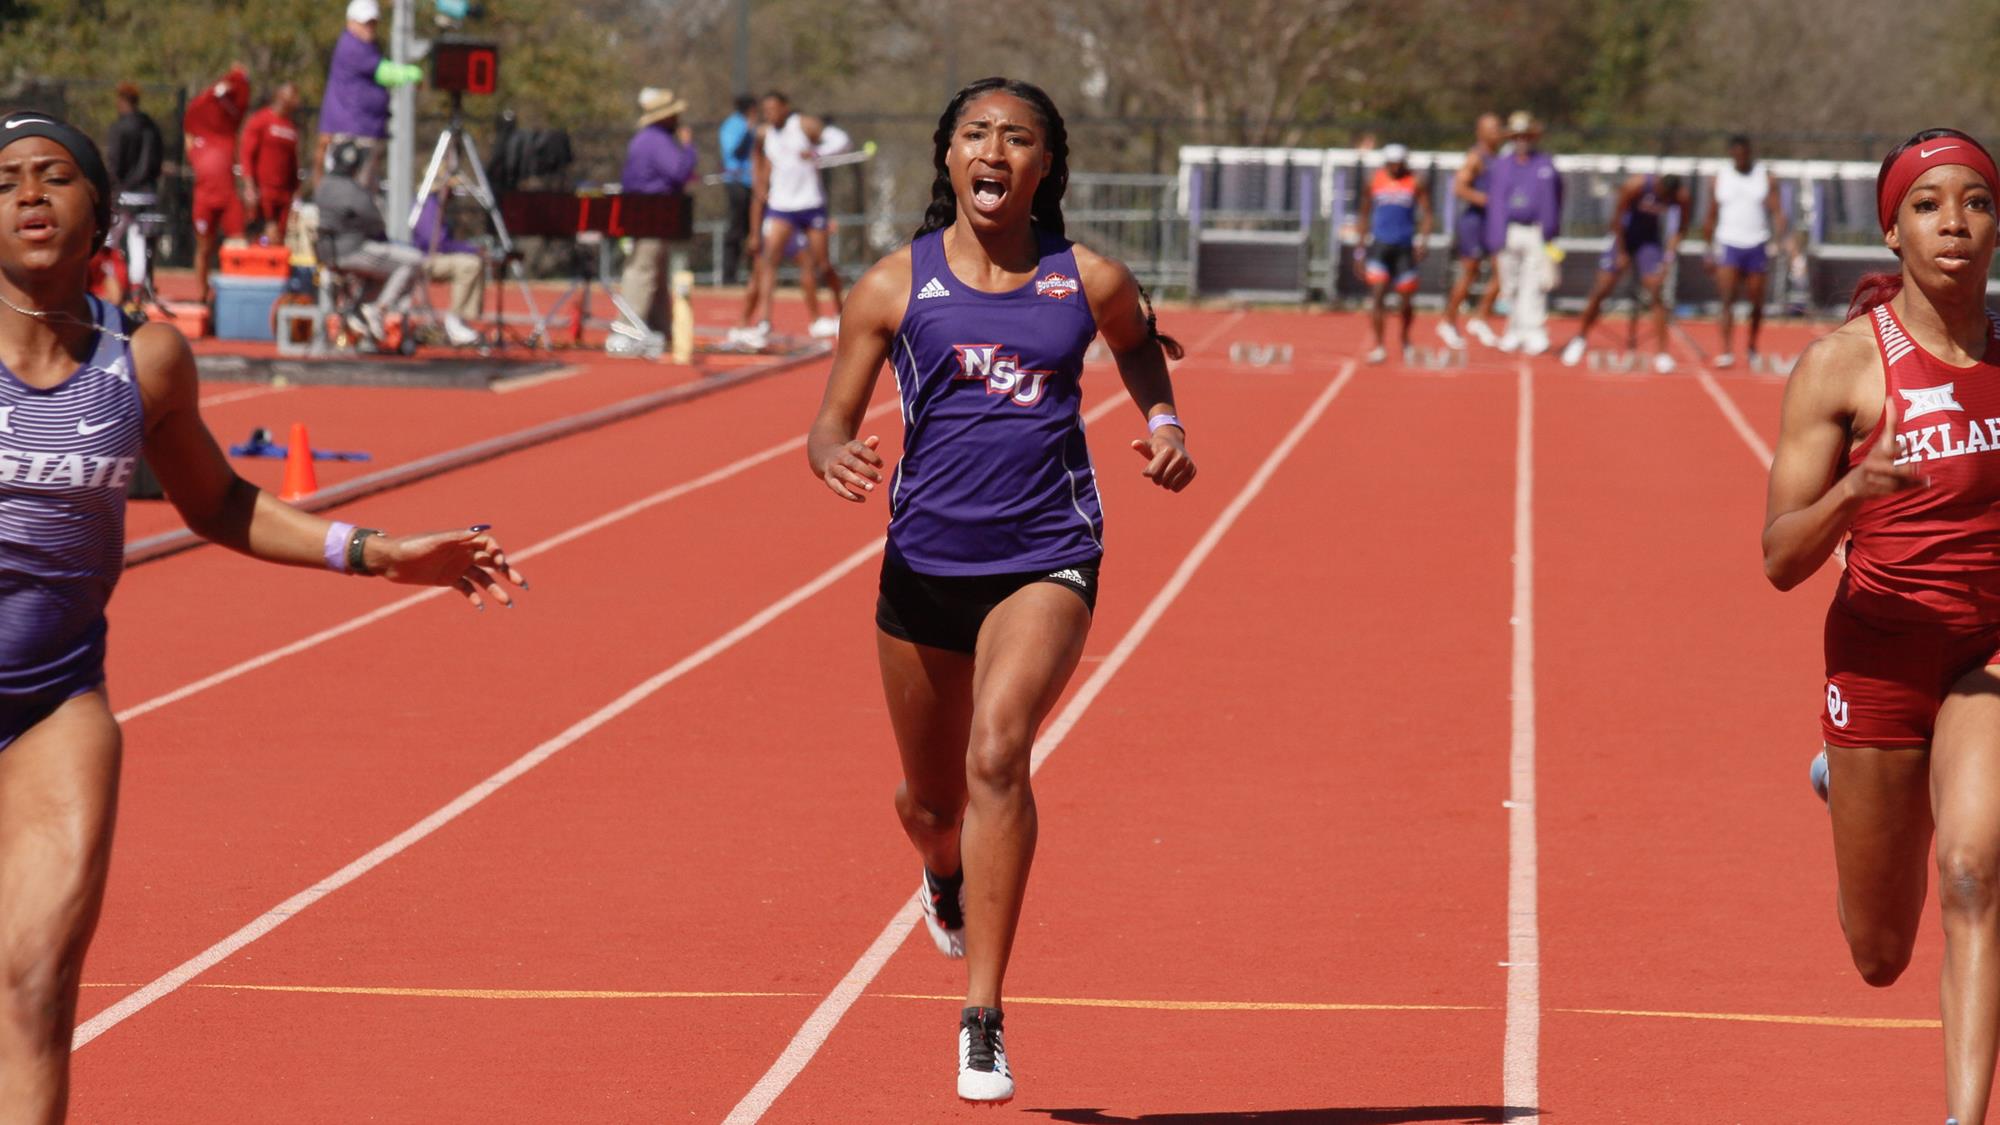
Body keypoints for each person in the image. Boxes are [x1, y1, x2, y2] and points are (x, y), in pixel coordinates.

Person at [0, 111, 524, 1122]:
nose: (27, 194)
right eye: (5, 179)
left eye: (54, 176)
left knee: (33, 986)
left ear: (100, 212)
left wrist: (375, 553)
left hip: (53, 708)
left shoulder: (145, 359)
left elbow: (219, 502)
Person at [806, 76, 1195, 1105]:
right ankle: (941, 869)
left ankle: (982, 1016)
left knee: (997, 753)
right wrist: (834, 453)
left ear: (1044, 165)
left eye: (1016, 137)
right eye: (975, 134)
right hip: (924, 564)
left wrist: (1164, 425)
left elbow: (1139, 348)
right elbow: (829, 421)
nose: (994, 150)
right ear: (947, 157)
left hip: (1046, 555)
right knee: (931, 803)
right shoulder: (891, 287)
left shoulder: (1087, 280)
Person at [1762, 128, 2000, 1125]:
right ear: (1891, 231)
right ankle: (1846, 777)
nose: (1955, 223)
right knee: (1878, 953)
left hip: (1986, 655)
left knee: (1972, 872)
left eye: (1976, 202)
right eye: (1928, 205)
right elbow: (1780, 557)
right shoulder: (1842, 367)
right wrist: (1854, 491)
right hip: (1877, 655)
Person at [314, 141, 481, 346]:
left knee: (387, 266)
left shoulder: (324, 185)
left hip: (330, 252)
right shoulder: (353, 190)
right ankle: (378, 309)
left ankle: (359, 311)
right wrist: (472, 249)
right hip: (353, 250)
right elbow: (376, 222)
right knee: (411, 261)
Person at [730, 91, 850, 349]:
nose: (769, 114)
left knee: (822, 264)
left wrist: (817, 152)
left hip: (811, 205)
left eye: (774, 109)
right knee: (767, 261)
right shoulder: (764, 134)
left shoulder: (803, 125)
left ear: (785, 108)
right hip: (781, 207)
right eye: (766, 110)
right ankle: (764, 320)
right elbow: (757, 161)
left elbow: (841, 141)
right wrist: (760, 189)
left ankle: (842, 311)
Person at [1559, 172, 1690, 374]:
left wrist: (1668, 258)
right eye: (1662, 196)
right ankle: (1580, 338)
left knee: (1656, 291)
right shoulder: (1636, 185)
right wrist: (1621, 252)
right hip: (1624, 236)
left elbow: (1681, 229)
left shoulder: (1681, 197)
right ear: (1658, 186)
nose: (1663, 201)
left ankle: (1662, 354)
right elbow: (1617, 218)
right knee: (1602, 288)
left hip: (1649, 241)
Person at [314, 0, 423, 190]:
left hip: (365, 130)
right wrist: (412, 74)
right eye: (365, 23)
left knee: (363, 190)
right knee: (351, 191)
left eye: (373, 23)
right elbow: (384, 72)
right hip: (352, 134)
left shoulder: (367, 46)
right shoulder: (352, 46)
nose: (370, 28)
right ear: (351, 22)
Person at [618, 87, 698, 341]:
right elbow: (678, 171)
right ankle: (628, 328)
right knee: (643, 269)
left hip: (644, 209)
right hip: (651, 211)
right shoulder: (657, 140)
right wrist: (688, 148)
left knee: (657, 271)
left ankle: (660, 328)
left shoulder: (643, 139)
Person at [1703, 133, 1788, 368]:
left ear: (1749, 153)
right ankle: (1726, 350)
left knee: (1756, 300)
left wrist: (1777, 241)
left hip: (1757, 243)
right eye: (1736, 154)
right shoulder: (1720, 177)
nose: (1740, 158)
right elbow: (1710, 216)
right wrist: (1708, 250)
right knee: (1727, 298)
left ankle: (1751, 346)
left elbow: (1778, 212)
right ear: (1731, 154)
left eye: (1744, 154)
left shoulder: (1764, 176)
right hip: (1728, 242)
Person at [1483, 110, 1562, 356]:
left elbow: (1558, 194)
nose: (1521, 141)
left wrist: (1550, 227)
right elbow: (1495, 199)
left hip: (1536, 230)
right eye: (1517, 137)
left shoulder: (1545, 163)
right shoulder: (1502, 165)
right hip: (1509, 230)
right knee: (1511, 282)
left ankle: (1534, 330)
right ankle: (1514, 329)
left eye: (1525, 136)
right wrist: (1495, 234)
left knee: (1534, 282)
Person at [1355, 143, 1432, 364]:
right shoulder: (1374, 181)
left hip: (1404, 248)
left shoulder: (1415, 181)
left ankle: (1405, 338)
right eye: (1392, 163)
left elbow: (1427, 214)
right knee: (1377, 295)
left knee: (1406, 298)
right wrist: (1359, 251)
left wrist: (1423, 240)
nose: (1396, 168)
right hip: (1380, 246)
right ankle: (1379, 345)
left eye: (1399, 163)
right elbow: (1364, 215)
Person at [181, 64, 250, 306]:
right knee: (204, 247)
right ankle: (202, 294)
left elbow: (239, 99)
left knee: (238, 247)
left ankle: (237, 297)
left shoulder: (229, 131)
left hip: (228, 197)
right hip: (204, 198)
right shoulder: (196, 129)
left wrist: (238, 77)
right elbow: (190, 132)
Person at [1440, 113, 1504, 350]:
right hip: (1474, 221)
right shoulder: (1476, 157)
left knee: (1503, 271)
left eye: (1498, 127)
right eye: (1492, 128)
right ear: (1481, 132)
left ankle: (1480, 318)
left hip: (1493, 222)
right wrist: (1488, 201)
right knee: (1471, 272)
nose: (1497, 132)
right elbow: (1459, 188)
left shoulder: (1499, 158)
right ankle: (1448, 321)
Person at [102, 82, 163, 304]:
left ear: (121, 100)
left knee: (108, 240)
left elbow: (115, 163)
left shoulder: (120, 128)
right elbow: (157, 161)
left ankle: (107, 283)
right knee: (138, 243)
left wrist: (111, 187)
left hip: (125, 193)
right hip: (148, 193)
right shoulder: (151, 127)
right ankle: (138, 289)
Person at [411, 178, 490, 345]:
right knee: (470, 264)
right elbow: (436, 242)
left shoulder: (438, 205)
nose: (453, 194)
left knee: (475, 262)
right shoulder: (429, 205)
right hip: (422, 258)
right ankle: (454, 320)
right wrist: (471, 249)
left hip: (430, 256)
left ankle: (461, 319)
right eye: (451, 189)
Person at [240, 82, 303, 245]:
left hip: (284, 195)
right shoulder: (261, 120)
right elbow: (247, 154)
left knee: (279, 239)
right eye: (293, 96)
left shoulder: (291, 127)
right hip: (264, 192)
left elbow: (293, 164)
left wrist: (297, 197)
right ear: (281, 96)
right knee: (265, 236)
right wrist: (249, 186)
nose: (297, 101)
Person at [718, 94, 758, 285]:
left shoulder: (754, 126)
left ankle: (754, 275)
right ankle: (729, 276)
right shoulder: (732, 125)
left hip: (754, 183)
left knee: (754, 230)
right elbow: (734, 151)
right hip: (736, 182)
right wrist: (748, 131)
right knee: (736, 229)